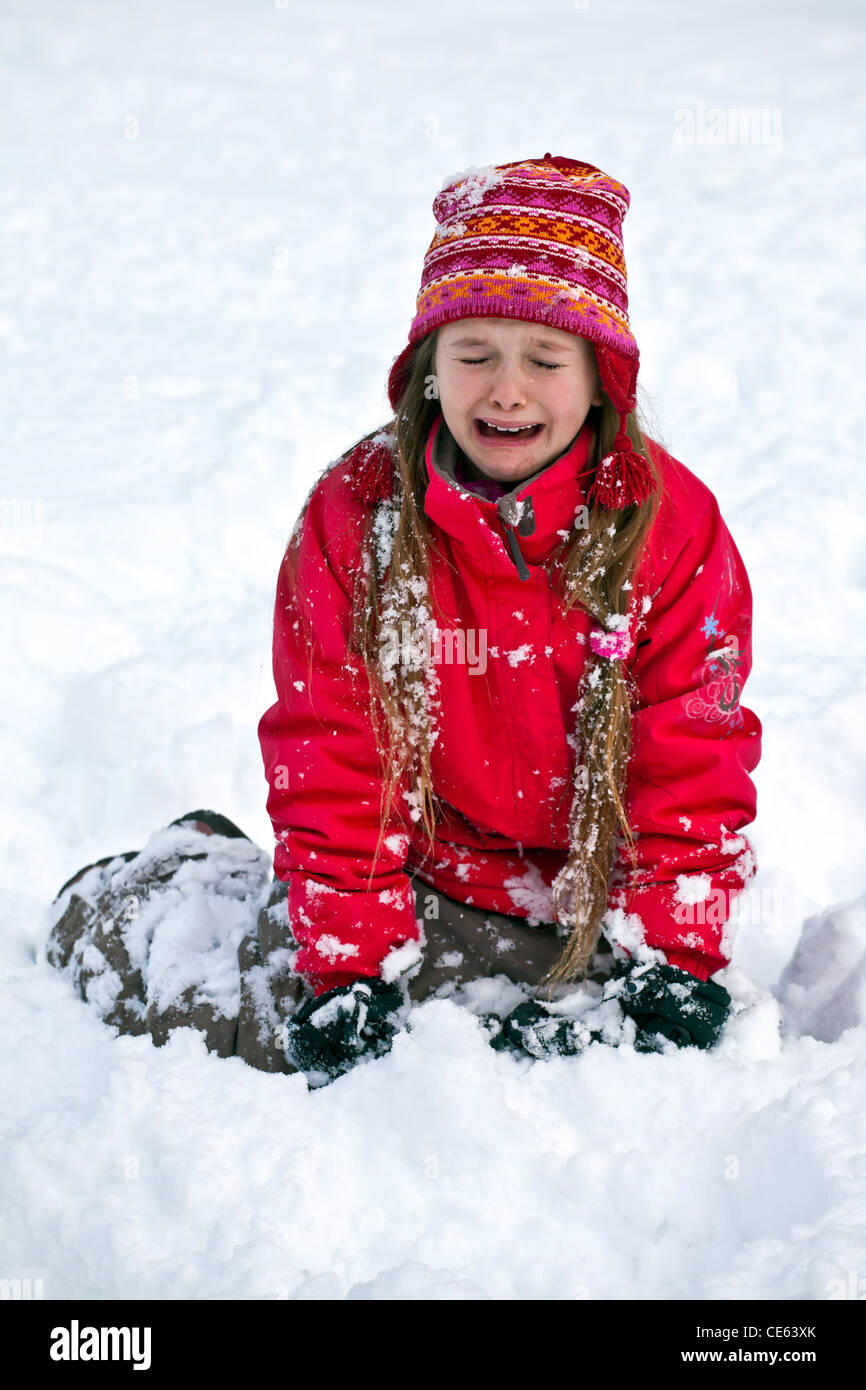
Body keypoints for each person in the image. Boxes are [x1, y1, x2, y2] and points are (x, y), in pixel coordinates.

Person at [44, 154, 760, 1084]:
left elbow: (691, 761)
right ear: (428, 369)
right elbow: (335, 748)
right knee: (269, 1039)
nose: (506, 390)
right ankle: (148, 897)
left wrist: (676, 957)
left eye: (545, 360)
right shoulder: (359, 519)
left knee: (575, 1067)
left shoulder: (670, 530)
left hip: (594, 907)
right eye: (473, 356)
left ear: (601, 381)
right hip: (424, 883)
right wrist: (353, 967)